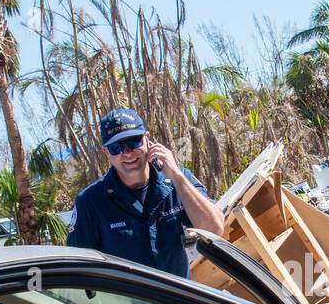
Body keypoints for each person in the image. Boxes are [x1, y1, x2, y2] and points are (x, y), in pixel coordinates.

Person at [66, 107, 225, 277]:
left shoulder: (179, 182)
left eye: (133, 141)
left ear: (147, 139)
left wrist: (177, 177)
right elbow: (80, 269)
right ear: (106, 152)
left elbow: (214, 228)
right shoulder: (90, 201)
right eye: (116, 147)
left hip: (178, 300)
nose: (127, 152)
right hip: (126, 302)